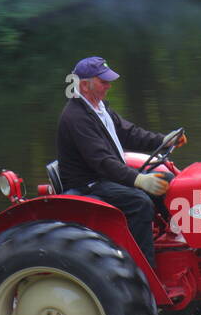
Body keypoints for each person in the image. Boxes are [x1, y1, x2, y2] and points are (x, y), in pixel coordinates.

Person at [55, 56, 186, 266]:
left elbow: (130, 133)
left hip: (105, 178)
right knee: (139, 202)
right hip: (89, 185)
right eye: (103, 81)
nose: (109, 85)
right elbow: (102, 161)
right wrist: (139, 180)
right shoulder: (76, 118)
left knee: (169, 181)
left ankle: (178, 241)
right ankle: (144, 272)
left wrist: (162, 140)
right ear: (84, 85)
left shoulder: (99, 108)